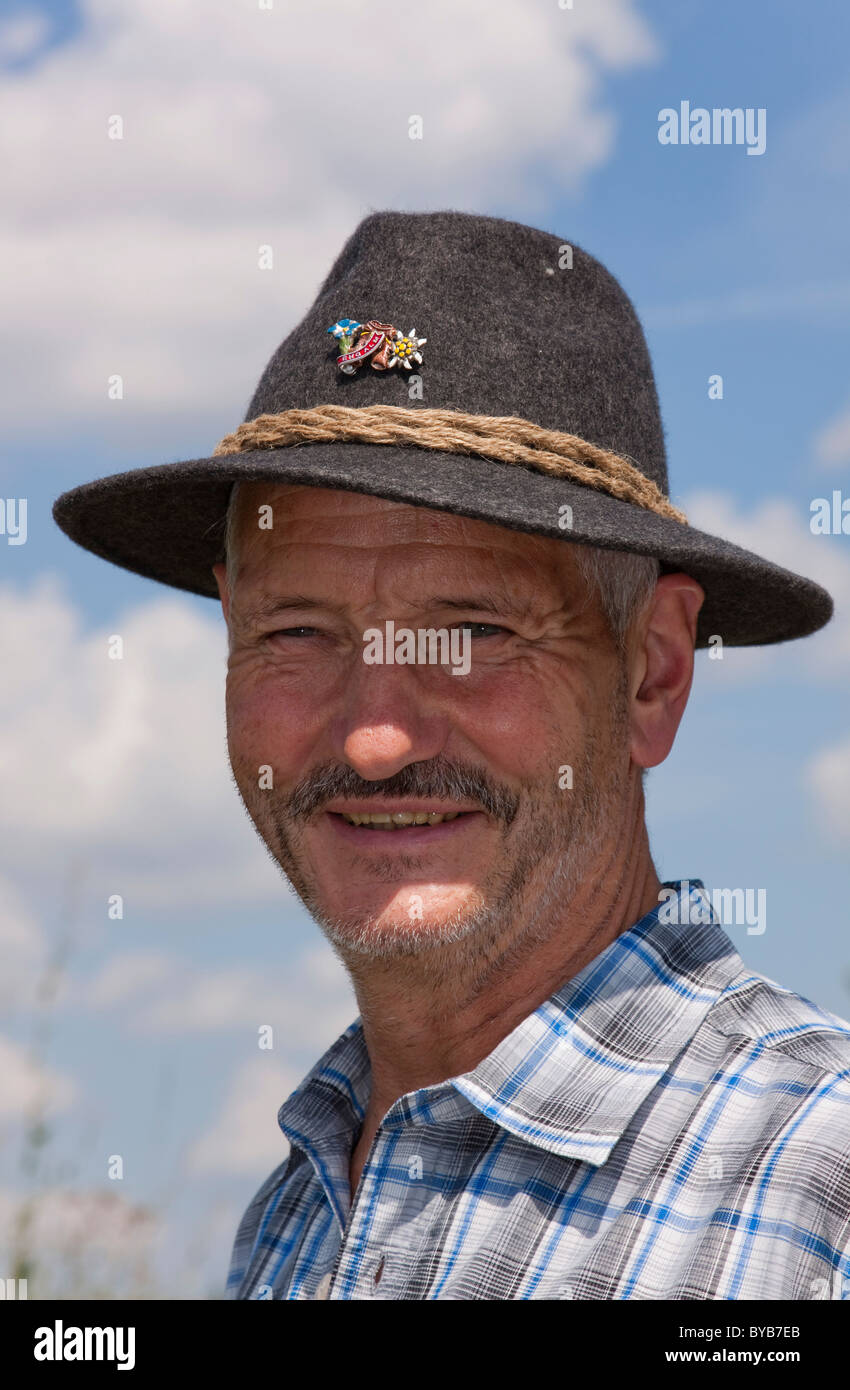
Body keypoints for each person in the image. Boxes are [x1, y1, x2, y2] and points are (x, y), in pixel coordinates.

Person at [54, 210, 850, 1301]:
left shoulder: (815, 1192)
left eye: (473, 632)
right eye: (296, 632)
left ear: (651, 675)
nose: (375, 740)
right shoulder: (295, 1212)